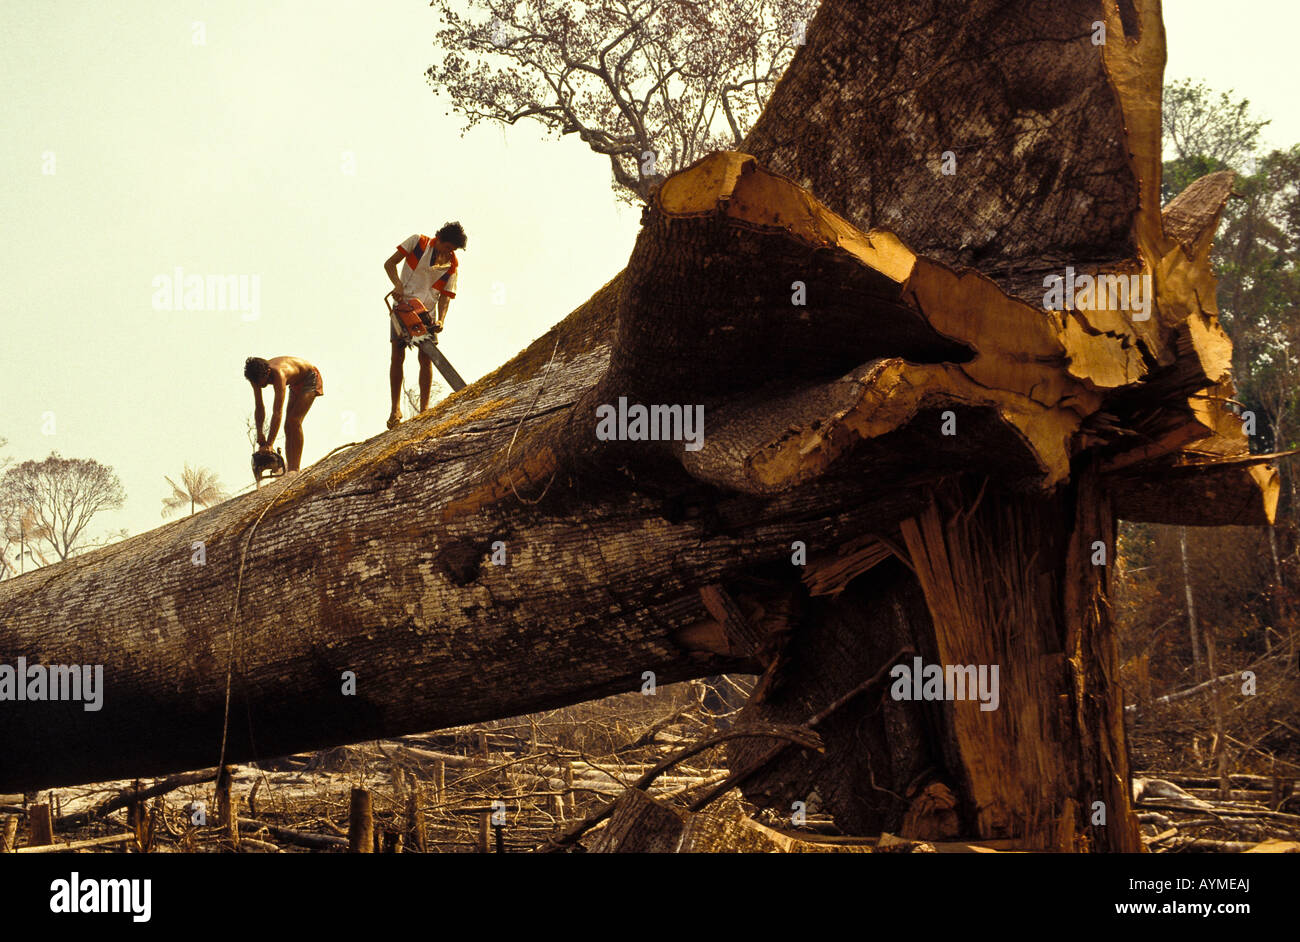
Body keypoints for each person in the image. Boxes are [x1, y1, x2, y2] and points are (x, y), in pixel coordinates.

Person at [384, 221, 467, 428]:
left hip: (426, 312)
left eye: (453, 250)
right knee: (397, 354)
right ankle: (395, 410)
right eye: (447, 247)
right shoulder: (418, 242)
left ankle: (425, 409)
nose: (449, 252)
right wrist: (398, 284)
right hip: (403, 305)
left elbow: (446, 296)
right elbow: (389, 263)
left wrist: (441, 319)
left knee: (427, 357)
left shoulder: (452, 264)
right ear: (439, 239)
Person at [244, 356, 323, 473]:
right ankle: (290, 469)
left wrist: (269, 444)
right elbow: (259, 407)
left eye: (261, 381)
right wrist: (260, 434)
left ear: (268, 373)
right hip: (295, 383)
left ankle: (295, 469)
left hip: (309, 377)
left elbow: (277, 412)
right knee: (287, 425)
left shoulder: (279, 374)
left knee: (294, 421)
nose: (260, 386)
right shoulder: (255, 377)